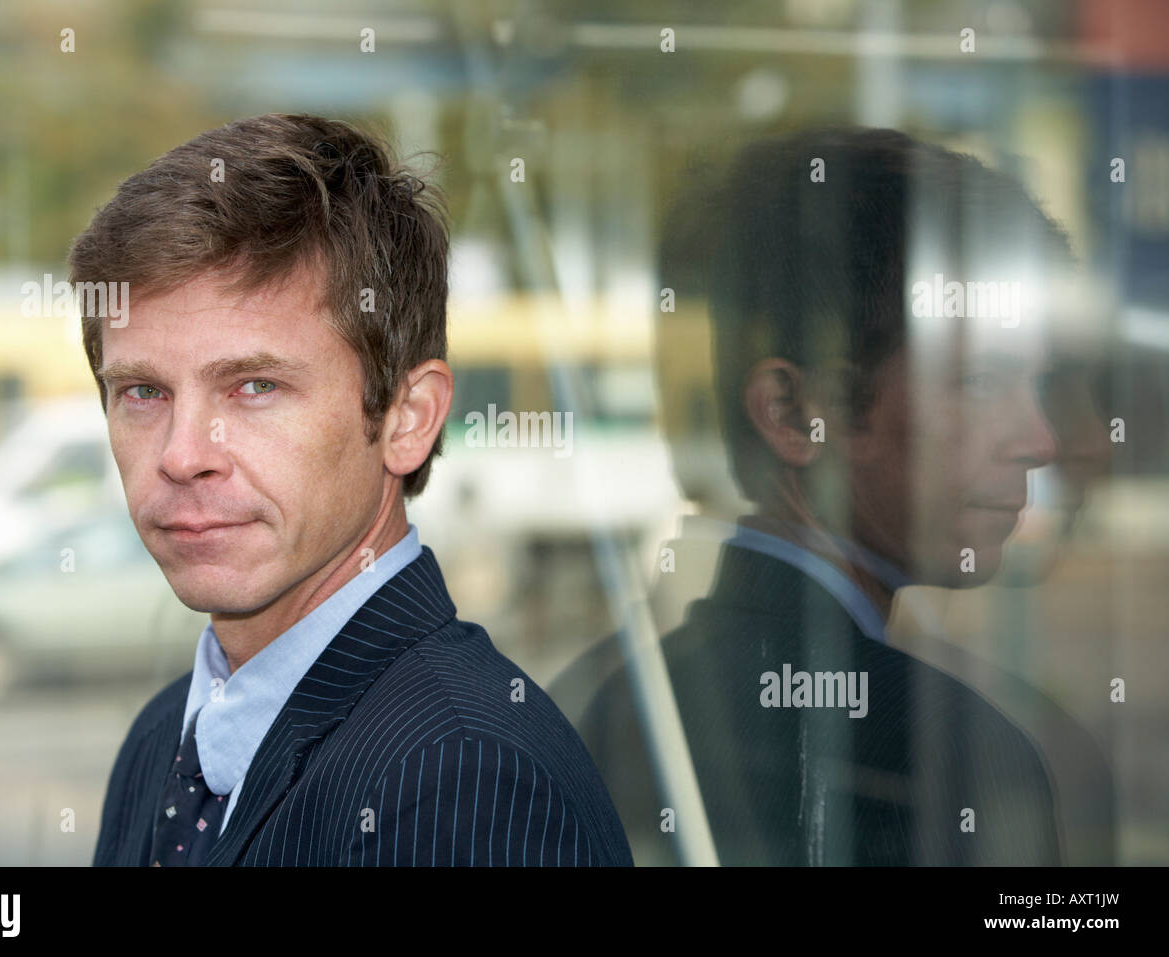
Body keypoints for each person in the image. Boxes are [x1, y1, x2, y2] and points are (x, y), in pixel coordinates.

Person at [73, 113, 632, 866]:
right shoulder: (163, 740)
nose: (181, 456)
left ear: (408, 418)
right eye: (142, 392)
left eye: (255, 385)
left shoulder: (466, 780)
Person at [552, 126, 1095, 865]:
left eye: (1037, 382)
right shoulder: (946, 753)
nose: (1039, 439)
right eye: (979, 382)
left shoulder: (604, 703)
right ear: (791, 413)